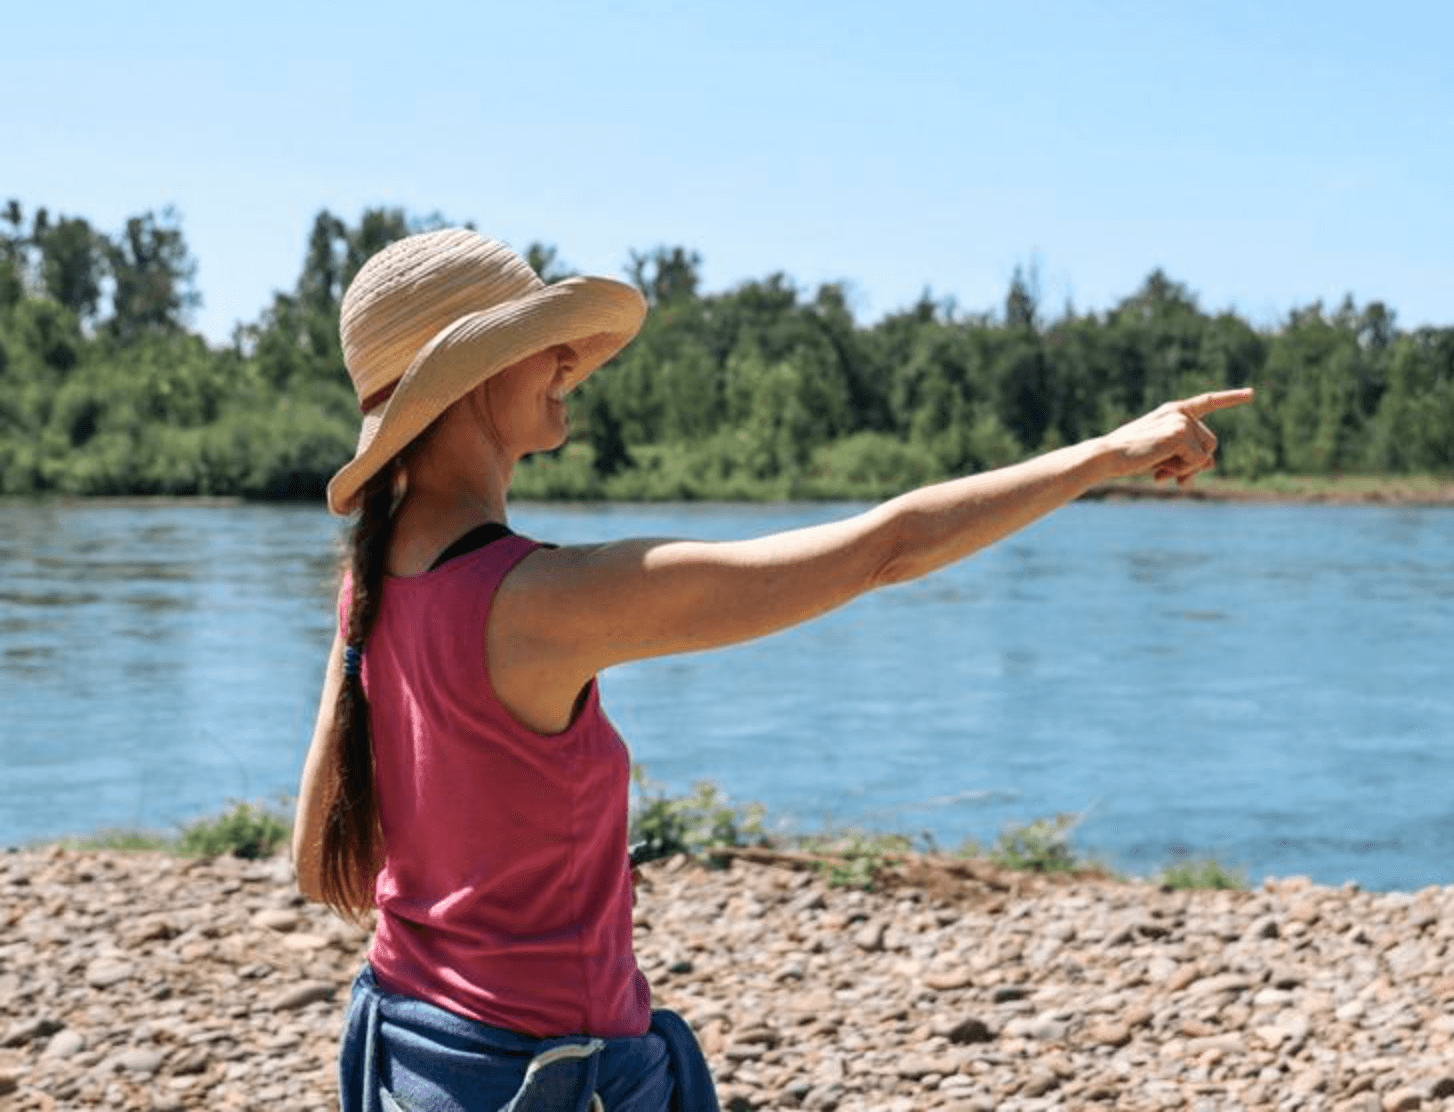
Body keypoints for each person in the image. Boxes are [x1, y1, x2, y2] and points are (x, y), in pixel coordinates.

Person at [292, 227, 1252, 1112]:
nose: (568, 364)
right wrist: (1107, 453)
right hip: (541, 1073)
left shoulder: (370, 580)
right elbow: (888, 548)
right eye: (545, 344)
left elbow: (316, 857)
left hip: (406, 1049)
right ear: (471, 378)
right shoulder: (540, 601)